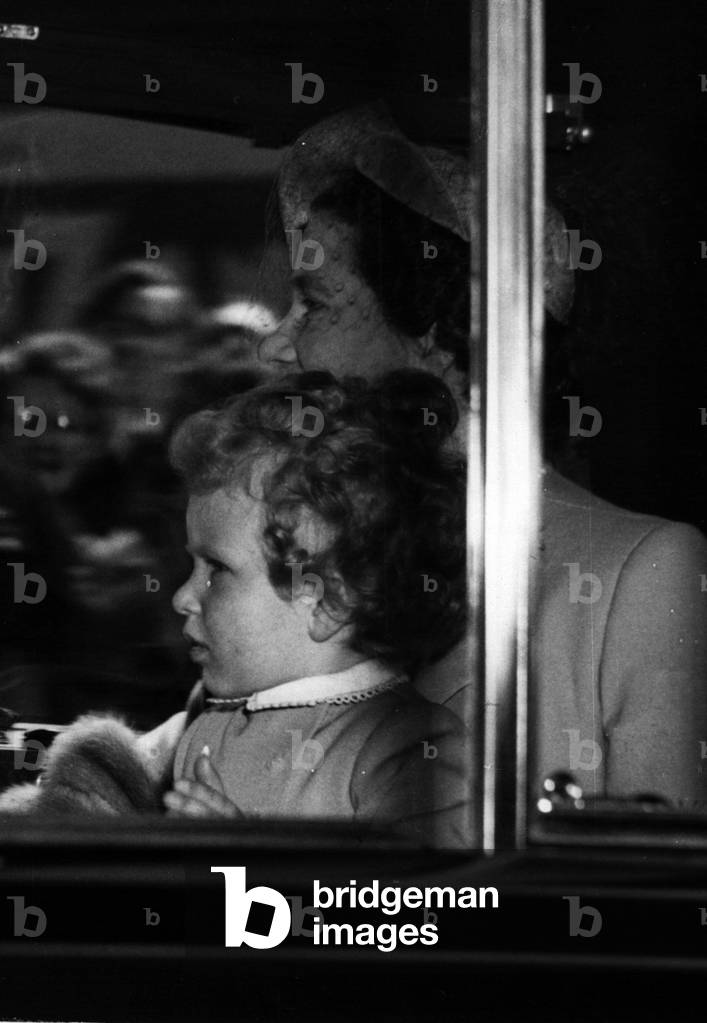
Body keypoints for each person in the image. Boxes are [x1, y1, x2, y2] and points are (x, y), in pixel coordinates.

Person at [256, 104, 707, 807]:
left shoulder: (639, 572)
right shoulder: (296, 551)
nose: (274, 346)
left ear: (441, 337)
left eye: (314, 305)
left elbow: (658, 888)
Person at [0, 370, 474, 848]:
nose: (182, 596)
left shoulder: (407, 746)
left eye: (217, 570)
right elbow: (92, 804)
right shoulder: (212, 710)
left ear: (328, 600)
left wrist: (245, 862)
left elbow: (414, 911)